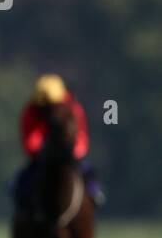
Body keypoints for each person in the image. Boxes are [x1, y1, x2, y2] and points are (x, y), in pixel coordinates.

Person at [13, 73, 105, 207]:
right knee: (22, 180)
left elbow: (81, 134)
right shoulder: (31, 110)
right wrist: (40, 151)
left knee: (87, 172)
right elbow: (29, 137)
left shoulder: (72, 108)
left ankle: (95, 192)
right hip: (42, 156)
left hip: (70, 154)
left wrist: (74, 151)